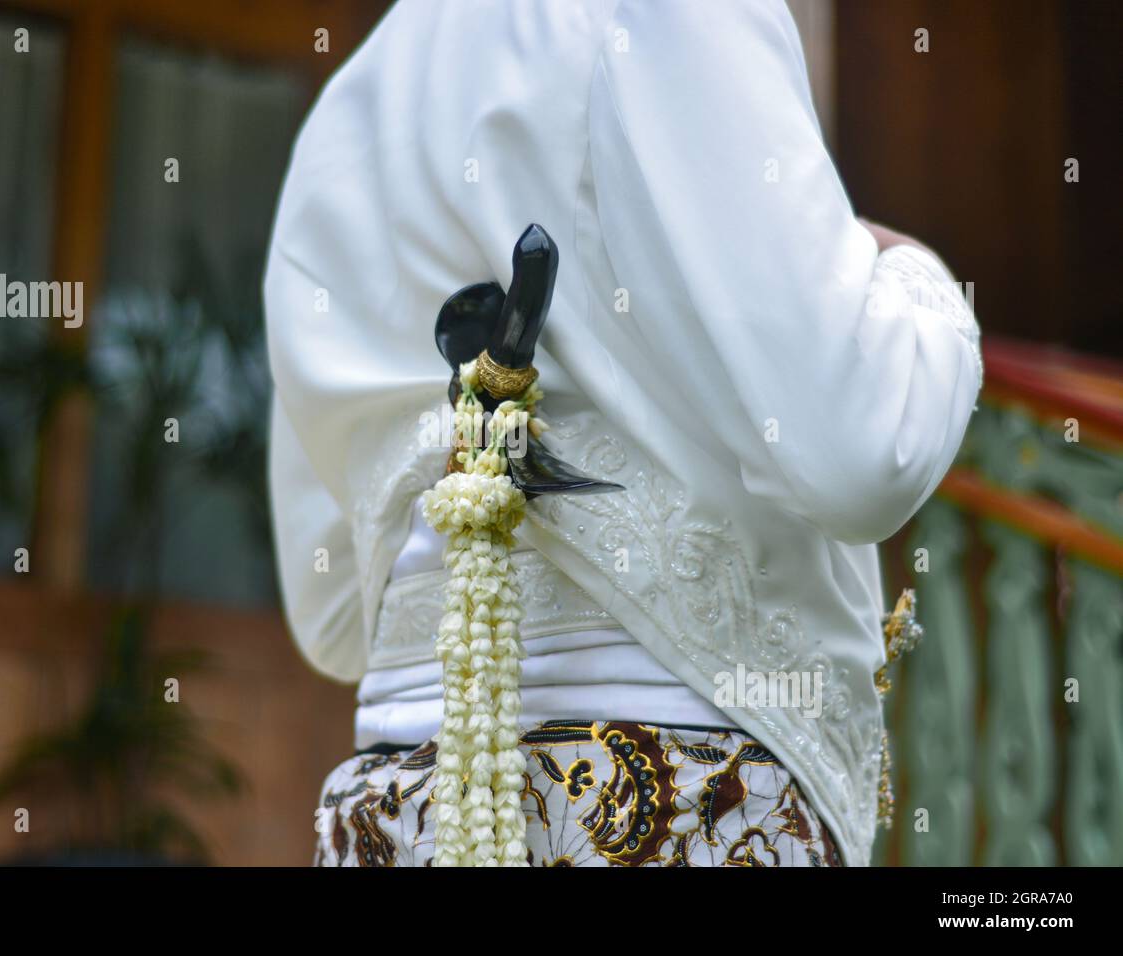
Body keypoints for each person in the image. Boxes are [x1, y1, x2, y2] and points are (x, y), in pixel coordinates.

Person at [264, 0, 981, 867]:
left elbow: (334, 616)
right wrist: (915, 276)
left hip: (395, 812)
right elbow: (861, 447)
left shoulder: (344, 114)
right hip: (687, 796)